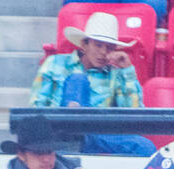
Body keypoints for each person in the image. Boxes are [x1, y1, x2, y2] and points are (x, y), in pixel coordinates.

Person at [29, 11, 154, 157]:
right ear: (84, 44)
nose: (103, 52)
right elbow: (37, 105)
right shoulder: (55, 63)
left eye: (109, 47)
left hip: (97, 136)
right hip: (57, 130)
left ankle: (74, 142)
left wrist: (127, 70)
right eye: (98, 45)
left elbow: (133, 116)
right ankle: (71, 138)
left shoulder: (115, 73)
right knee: (78, 81)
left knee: (145, 147)